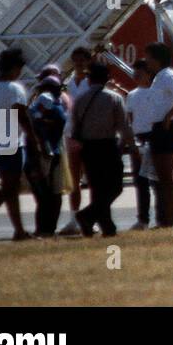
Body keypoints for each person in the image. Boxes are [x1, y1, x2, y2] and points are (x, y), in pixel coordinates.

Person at [0, 48, 36, 240]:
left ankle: (19, 230)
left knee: (10, 188)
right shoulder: (15, 89)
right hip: (12, 144)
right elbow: (22, 116)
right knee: (10, 188)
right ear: (14, 68)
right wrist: (34, 140)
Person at [70, 62, 128, 237]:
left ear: (89, 79)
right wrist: (129, 145)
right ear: (107, 78)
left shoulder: (80, 99)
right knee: (115, 186)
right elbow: (123, 126)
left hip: (88, 147)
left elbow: (75, 126)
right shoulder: (114, 98)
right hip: (108, 145)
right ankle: (87, 215)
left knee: (97, 188)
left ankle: (106, 226)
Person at [143, 42, 173, 227]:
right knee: (160, 177)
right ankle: (166, 218)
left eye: (149, 57)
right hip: (156, 128)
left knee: (167, 176)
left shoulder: (168, 75)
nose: (147, 61)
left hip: (167, 128)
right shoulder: (157, 78)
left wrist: (169, 116)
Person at [25, 71, 68, 236]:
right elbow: (33, 117)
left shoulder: (56, 101)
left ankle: (49, 228)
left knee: (55, 193)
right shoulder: (46, 99)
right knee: (46, 194)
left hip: (56, 150)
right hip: (46, 151)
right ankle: (43, 229)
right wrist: (44, 129)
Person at [57, 46, 93, 236]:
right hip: (71, 135)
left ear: (88, 61)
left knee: (93, 178)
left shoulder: (92, 82)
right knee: (74, 179)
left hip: (89, 135)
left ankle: (93, 217)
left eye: (82, 60)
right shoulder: (69, 83)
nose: (79, 63)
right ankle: (74, 219)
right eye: (76, 60)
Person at [124, 60, 160, 230]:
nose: (137, 76)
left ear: (149, 74)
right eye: (135, 73)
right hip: (138, 138)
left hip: (154, 137)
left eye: (140, 73)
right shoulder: (131, 95)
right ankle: (143, 219)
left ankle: (163, 217)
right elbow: (130, 120)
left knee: (158, 181)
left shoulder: (156, 92)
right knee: (141, 181)